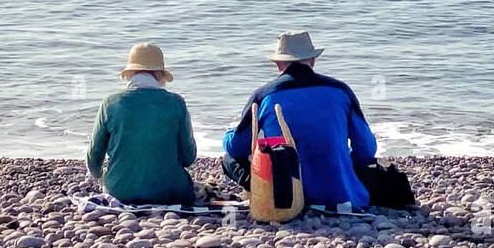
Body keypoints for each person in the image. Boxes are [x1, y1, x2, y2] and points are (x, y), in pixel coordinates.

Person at [222, 30, 378, 209]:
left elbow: (236, 148)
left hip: (285, 197)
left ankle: (264, 195)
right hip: (340, 195)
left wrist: (228, 134)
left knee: (229, 159)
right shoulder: (341, 91)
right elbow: (367, 149)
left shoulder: (264, 96)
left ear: (279, 64)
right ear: (312, 60)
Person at [86, 43, 197, 205]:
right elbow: (188, 157)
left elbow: (94, 157)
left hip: (120, 191)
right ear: (160, 75)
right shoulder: (176, 103)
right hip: (170, 192)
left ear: (130, 73)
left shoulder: (110, 103)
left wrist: (99, 176)